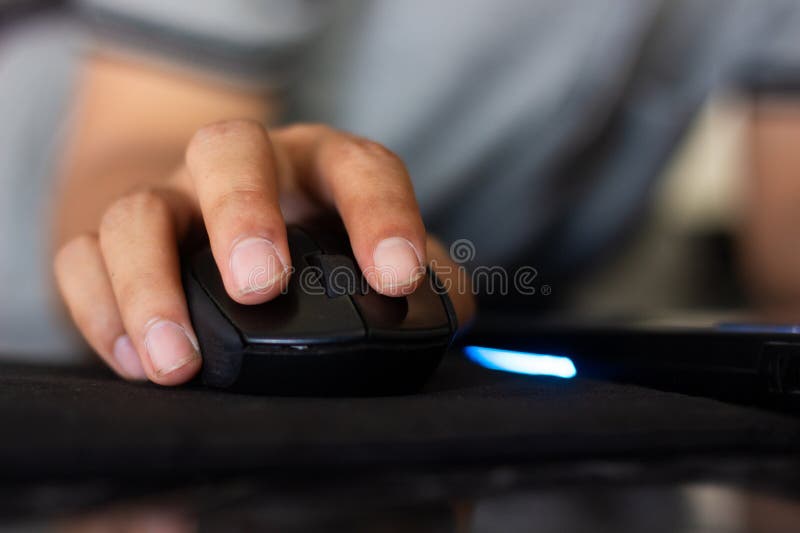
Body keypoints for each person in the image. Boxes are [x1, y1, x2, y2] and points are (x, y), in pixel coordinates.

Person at [1, 0, 799, 384]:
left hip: (448, 338)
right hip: (39, 314)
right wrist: (205, 225)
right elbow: (135, 149)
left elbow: (787, 269)